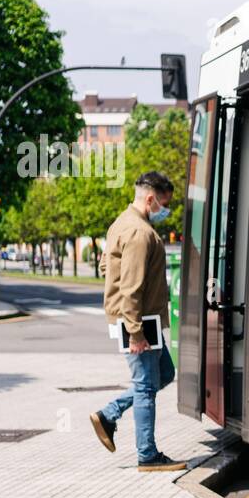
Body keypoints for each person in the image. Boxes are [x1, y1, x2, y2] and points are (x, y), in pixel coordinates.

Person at [89, 171, 185, 472]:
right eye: (164, 203)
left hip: (143, 319)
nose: (165, 210)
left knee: (164, 374)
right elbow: (131, 287)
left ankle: (109, 414)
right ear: (150, 198)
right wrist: (135, 333)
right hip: (140, 321)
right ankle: (148, 455)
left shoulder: (122, 222)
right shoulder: (140, 233)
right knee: (145, 386)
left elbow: (106, 265)